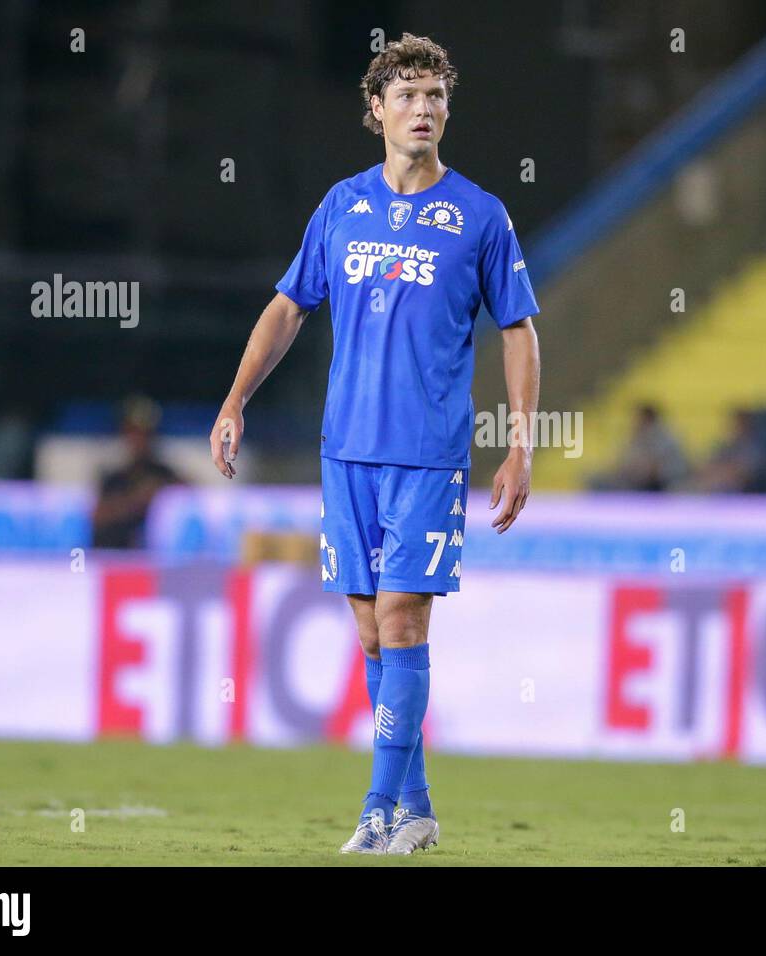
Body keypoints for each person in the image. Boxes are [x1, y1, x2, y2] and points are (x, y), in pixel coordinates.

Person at [208, 34, 541, 855]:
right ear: (376, 111)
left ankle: (376, 811)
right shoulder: (341, 207)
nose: (424, 109)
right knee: (370, 633)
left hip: (427, 456)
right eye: (408, 96)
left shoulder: (481, 215)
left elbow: (520, 331)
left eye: (435, 96)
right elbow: (289, 307)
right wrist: (235, 399)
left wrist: (522, 442)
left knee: (403, 621)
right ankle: (419, 809)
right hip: (345, 450)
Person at [92, 396, 183, 549]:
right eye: (134, 433)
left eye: (145, 433)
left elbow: (190, 498)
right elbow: (97, 516)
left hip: (156, 558)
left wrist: (161, 497)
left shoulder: (164, 475)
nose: (139, 440)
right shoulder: (114, 478)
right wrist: (136, 502)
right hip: (118, 555)